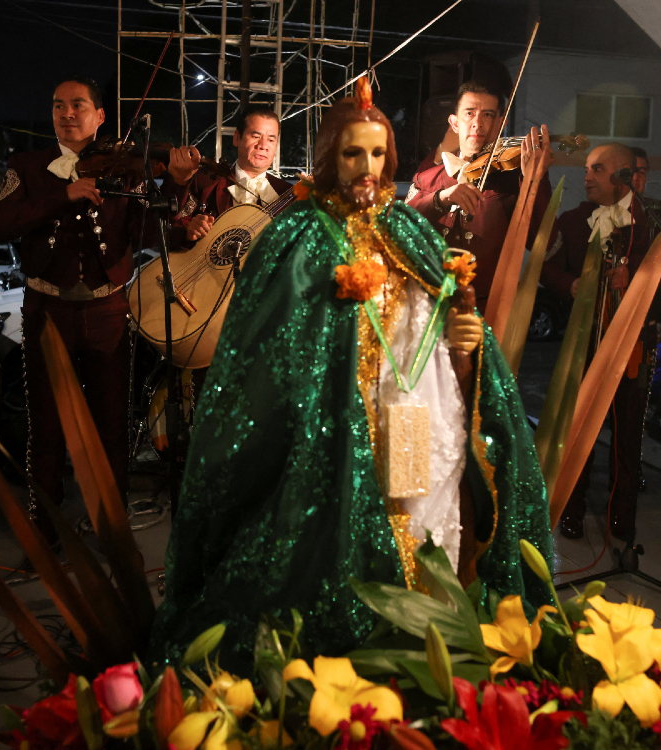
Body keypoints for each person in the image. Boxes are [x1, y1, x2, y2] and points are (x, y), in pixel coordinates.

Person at [148, 78, 553, 673]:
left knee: (414, 526)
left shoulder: (410, 228)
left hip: (412, 414)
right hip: (327, 422)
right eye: (353, 153)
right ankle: (338, 663)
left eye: (378, 154)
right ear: (329, 157)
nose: (368, 167)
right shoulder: (296, 235)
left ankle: (415, 650)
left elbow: (441, 308)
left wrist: (466, 338)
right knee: (333, 542)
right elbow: (265, 342)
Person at [0, 75, 167, 543]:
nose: (67, 114)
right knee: (45, 427)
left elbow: (146, 233)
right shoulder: (26, 166)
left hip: (108, 309)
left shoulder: (126, 167)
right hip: (47, 307)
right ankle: (43, 532)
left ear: (100, 115)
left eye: (78, 105)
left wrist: (175, 190)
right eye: (59, 106)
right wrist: (62, 195)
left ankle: (112, 528)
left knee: (112, 426)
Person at [540, 142, 661, 541]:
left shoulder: (655, 219)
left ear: (624, 176)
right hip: (584, 340)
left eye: (597, 169)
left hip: (637, 340)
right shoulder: (573, 220)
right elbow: (547, 269)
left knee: (628, 433)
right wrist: (571, 285)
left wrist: (637, 273)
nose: (586, 176)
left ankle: (622, 514)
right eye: (587, 168)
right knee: (578, 427)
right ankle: (570, 508)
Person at [406, 81, 553, 312]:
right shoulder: (428, 177)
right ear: (455, 123)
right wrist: (442, 198)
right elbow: (399, 225)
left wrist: (533, 182)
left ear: (500, 124)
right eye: (469, 114)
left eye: (487, 115)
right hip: (426, 308)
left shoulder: (514, 180)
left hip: (486, 312)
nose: (477, 123)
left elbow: (544, 242)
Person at [164, 105, 294, 249]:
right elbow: (164, 231)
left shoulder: (288, 194)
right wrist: (188, 232)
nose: (263, 145)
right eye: (256, 136)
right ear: (237, 138)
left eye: (271, 139)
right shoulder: (205, 182)